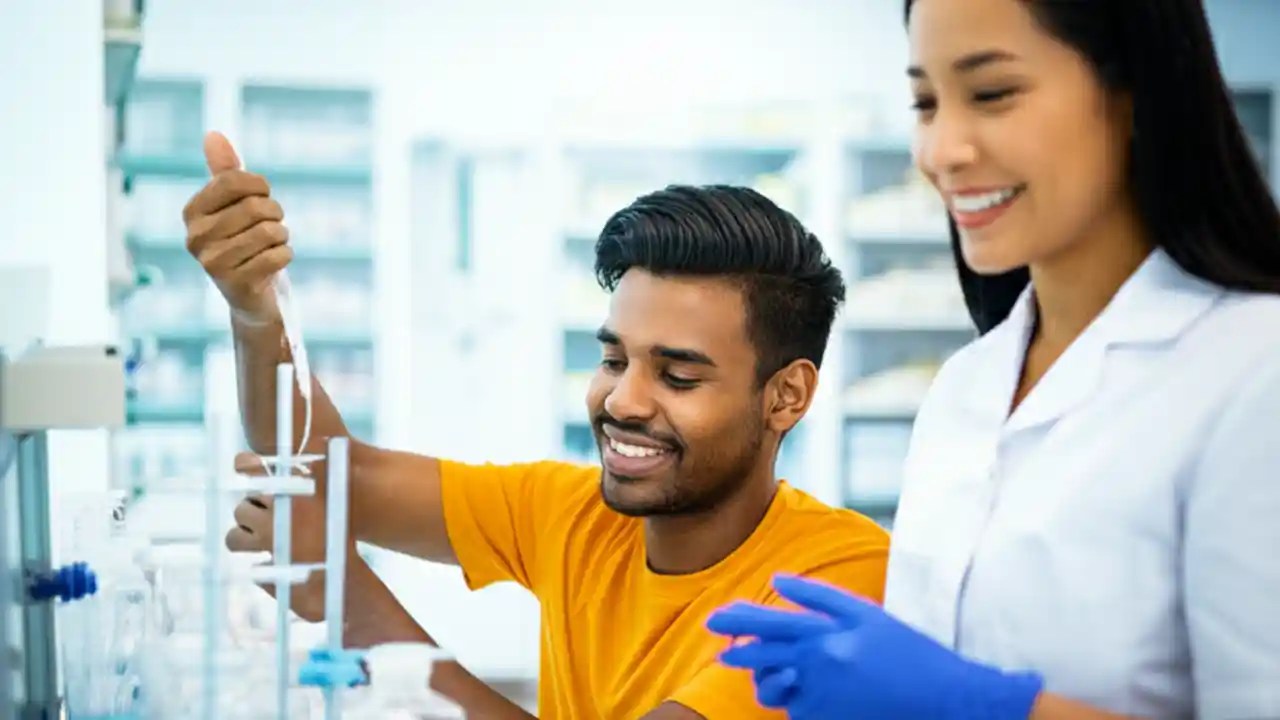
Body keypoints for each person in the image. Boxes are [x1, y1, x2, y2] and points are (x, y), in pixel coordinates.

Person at [182, 132, 890, 719]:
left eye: (677, 375)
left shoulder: (837, 579)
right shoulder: (574, 516)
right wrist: (257, 310)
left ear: (786, 396)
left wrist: (346, 599)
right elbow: (328, 475)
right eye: (614, 359)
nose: (623, 402)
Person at [705, 0, 1280, 718]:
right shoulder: (966, 386)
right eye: (925, 102)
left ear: (1134, 93)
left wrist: (984, 705)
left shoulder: (1255, 370)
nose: (940, 151)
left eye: (992, 94)